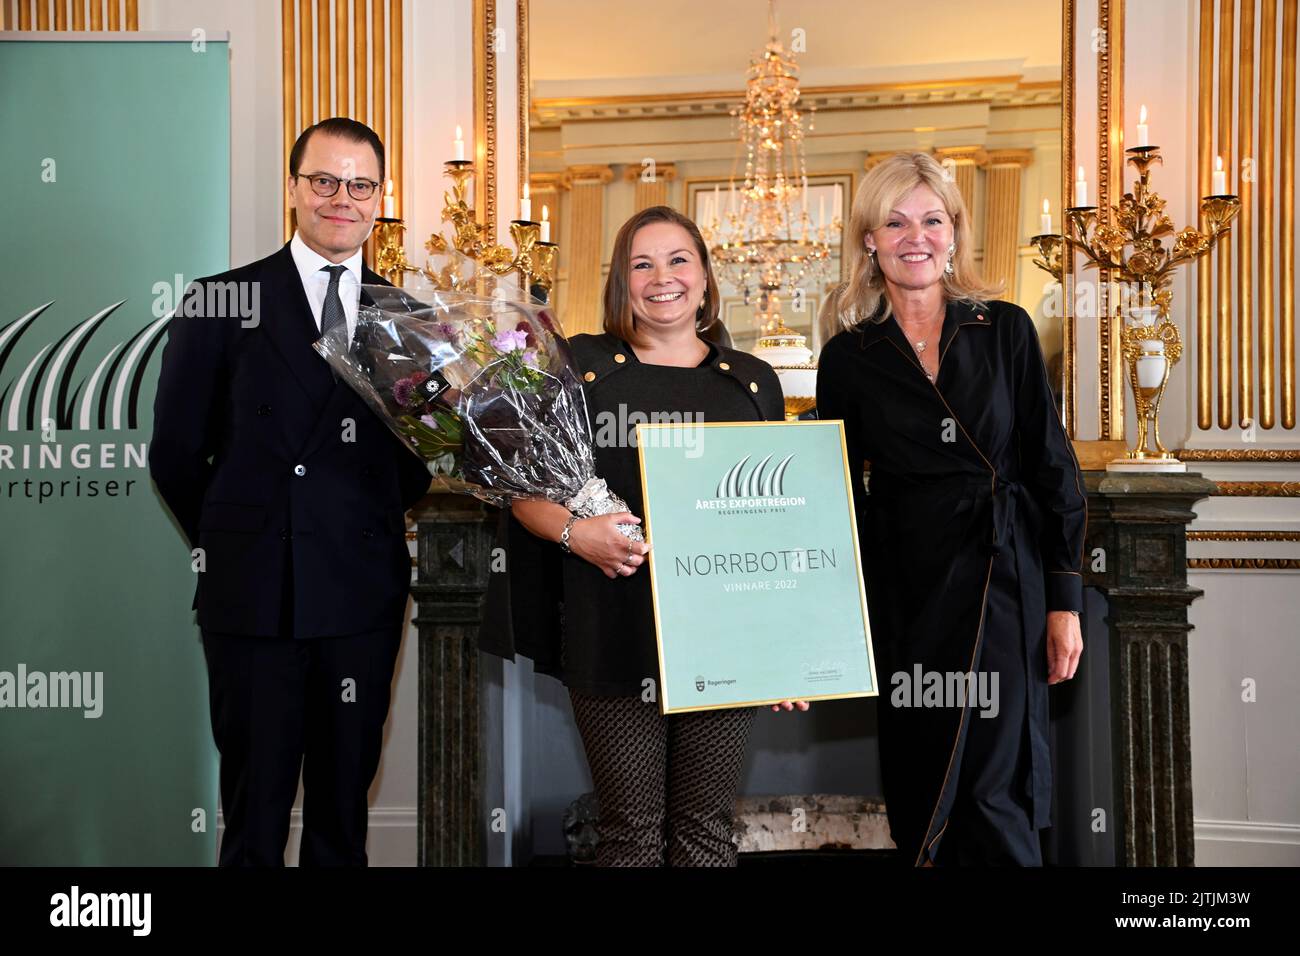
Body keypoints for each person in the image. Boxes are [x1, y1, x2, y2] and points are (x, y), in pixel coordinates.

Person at [482, 205, 805, 867]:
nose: (664, 277)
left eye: (679, 259)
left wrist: (780, 648)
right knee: (628, 834)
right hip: (611, 627)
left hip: (724, 640)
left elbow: (779, 517)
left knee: (707, 833)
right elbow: (524, 493)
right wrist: (579, 534)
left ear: (707, 278)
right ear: (621, 282)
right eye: (643, 263)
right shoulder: (580, 366)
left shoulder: (751, 382)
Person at [149, 117, 432, 866]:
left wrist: (354, 520)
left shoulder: (409, 317)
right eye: (324, 181)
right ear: (294, 189)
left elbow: (419, 463)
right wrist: (240, 535)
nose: (342, 198)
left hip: (359, 593)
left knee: (343, 816)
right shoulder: (220, 302)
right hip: (251, 595)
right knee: (254, 814)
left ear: (380, 199)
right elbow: (175, 454)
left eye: (360, 185)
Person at [815, 152, 1086, 867]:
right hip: (907, 590)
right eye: (895, 221)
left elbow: (1051, 465)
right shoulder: (848, 356)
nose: (916, 236)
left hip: (1005, 584)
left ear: (955, 232)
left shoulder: (1006, 328)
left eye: (933, 219)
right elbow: (832, 494)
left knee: (997, 786)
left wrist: (1065, 600)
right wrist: (816, 624)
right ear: (869, 239)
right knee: (922, 779)